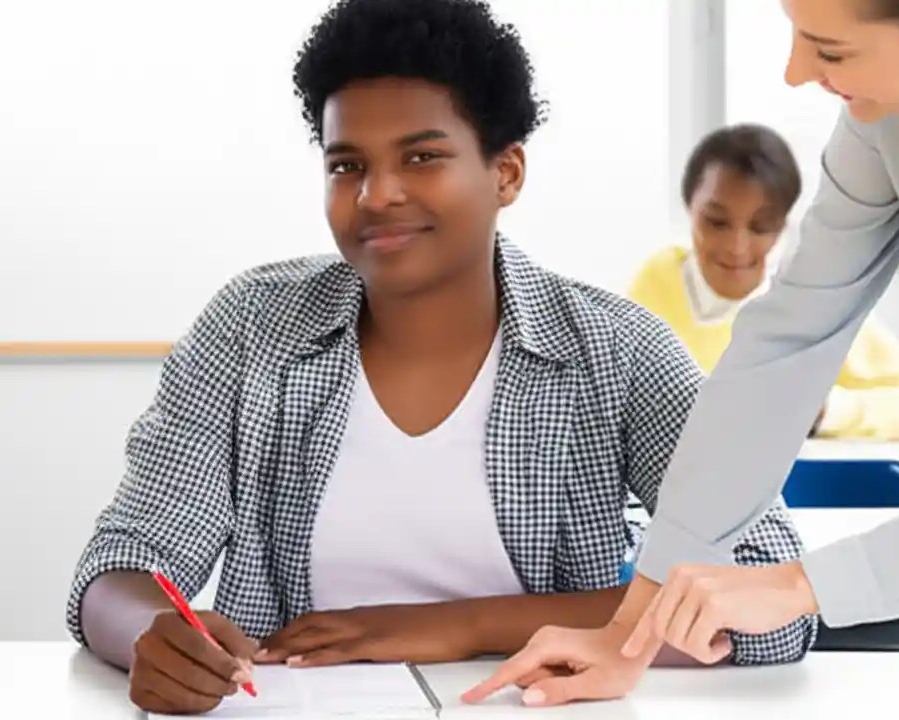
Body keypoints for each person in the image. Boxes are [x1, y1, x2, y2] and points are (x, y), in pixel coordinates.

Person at [65, 0, 815, 714]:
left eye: (421, 157)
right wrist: (148, 635)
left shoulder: (618, 351)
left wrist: (460, 625)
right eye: (346, 166)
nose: (376, 195)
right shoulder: (249, 329)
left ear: (506, 173)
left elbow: (771, 598)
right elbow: (123, 560)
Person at [466, 1, 899, 717]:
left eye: (829, 50)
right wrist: (634, 629)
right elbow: (787, 340)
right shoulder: (894, 115)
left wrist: (799, 585)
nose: (794, 72)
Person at [630, 124, 899, 440]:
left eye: (761, 226)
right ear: (689, 208)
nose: (737, 247)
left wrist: (821, 410)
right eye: (717, 222)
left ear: (782, 226)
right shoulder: (656, 283)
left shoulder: (809, 301)